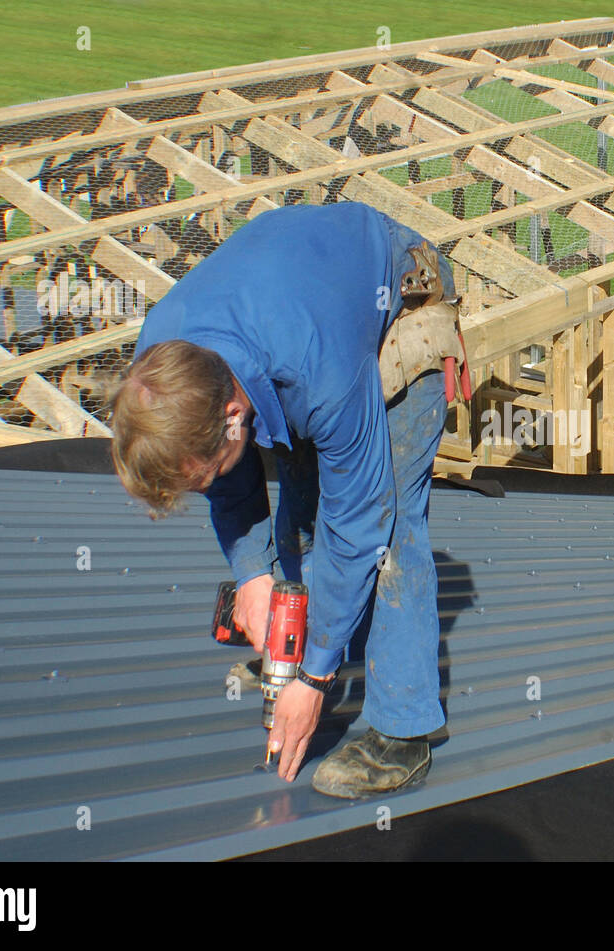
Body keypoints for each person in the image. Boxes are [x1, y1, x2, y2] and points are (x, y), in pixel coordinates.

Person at [108, 202, 465, 798]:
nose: (208, 489)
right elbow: (228, 477)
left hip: (398, 300)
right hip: (298, 306)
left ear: (231, 415)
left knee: (390, 521)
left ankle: (402, 730)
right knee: (301, 498)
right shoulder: (161, 364)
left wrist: (317, 679)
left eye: (206, 473)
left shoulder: (316, 371)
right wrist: (251, 575)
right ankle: (296, 647)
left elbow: (361, 517)